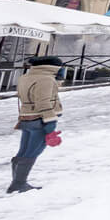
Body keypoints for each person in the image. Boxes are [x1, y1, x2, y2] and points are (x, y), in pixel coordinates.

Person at [9, 55, 65, 193]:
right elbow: (43, 102)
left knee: (23, 151)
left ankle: (17, 182)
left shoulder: (26, 77)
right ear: (53, 67)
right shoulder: (46, 79)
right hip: (41, 120)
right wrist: (50, 124)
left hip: (26, 118)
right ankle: (19, 183)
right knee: (33, 152)